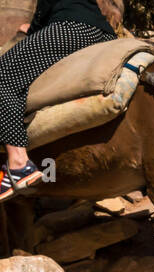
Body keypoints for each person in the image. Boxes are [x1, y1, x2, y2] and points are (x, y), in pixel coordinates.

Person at [0, 0, 118, 202]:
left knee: (4, 75)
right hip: (104, 34)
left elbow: (44, 9)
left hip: (70, 29)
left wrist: (33, 31)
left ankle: (19, 164)